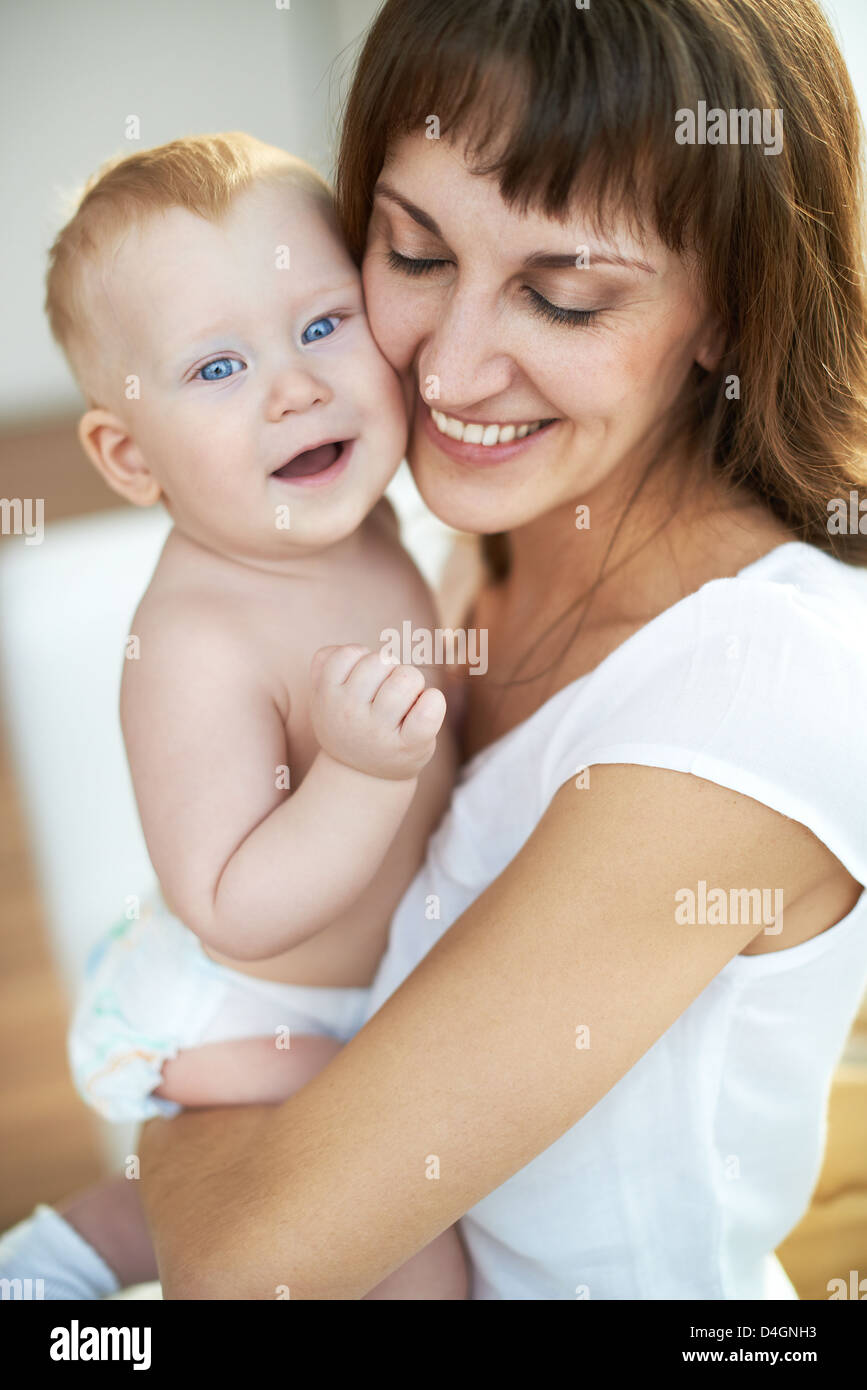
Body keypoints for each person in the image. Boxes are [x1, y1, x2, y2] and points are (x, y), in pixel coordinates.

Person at [0, 132, 466, 1299]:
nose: (295, 387)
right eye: (217, 369)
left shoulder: (361, 519)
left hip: (354, 986)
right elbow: (230, 903)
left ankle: (50, 1267)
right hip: (244, 1002)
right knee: (407, 1241)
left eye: (320, 325)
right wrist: (358, 775)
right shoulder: (196, 640)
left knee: (199, 1202)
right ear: (127, 455)